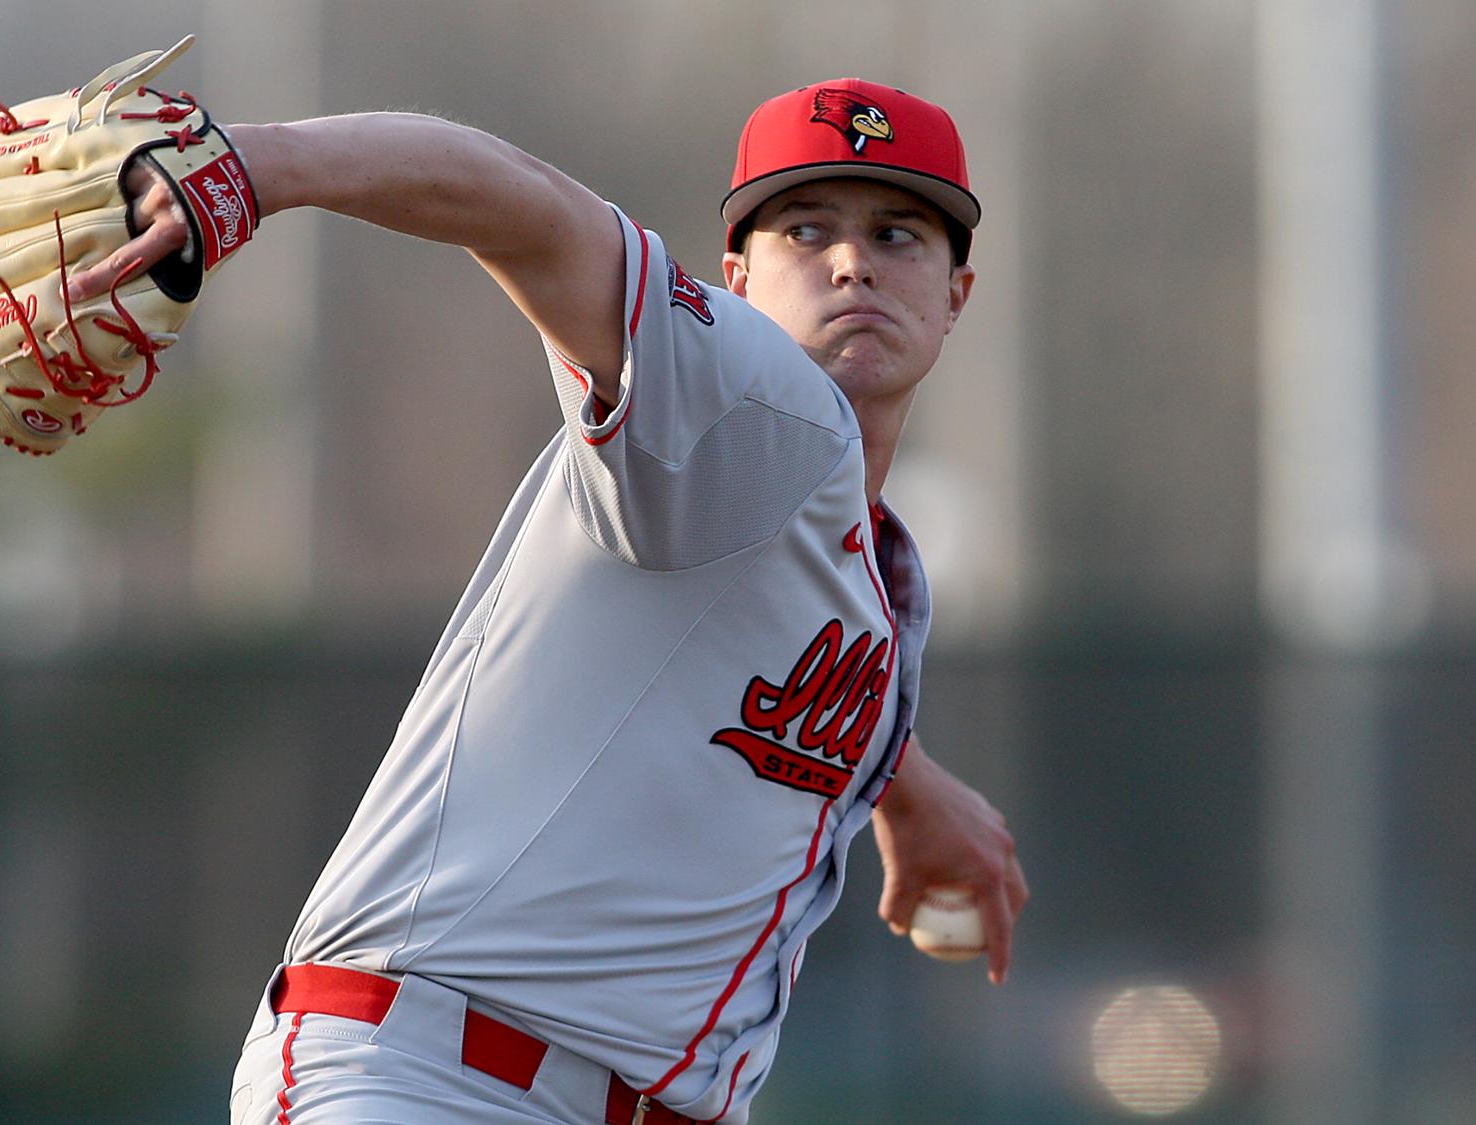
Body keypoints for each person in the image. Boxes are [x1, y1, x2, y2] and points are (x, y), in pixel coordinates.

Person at [69, 76, 1029, 1125]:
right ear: (739, 280)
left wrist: (901, 783)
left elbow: (747, 663)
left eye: (898, 234)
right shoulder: (736, 395)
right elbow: (519, 204)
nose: (851, 261)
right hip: (427, 1080)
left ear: (954, 295)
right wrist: (263, 166)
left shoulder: (876, 570)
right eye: (806, 229)